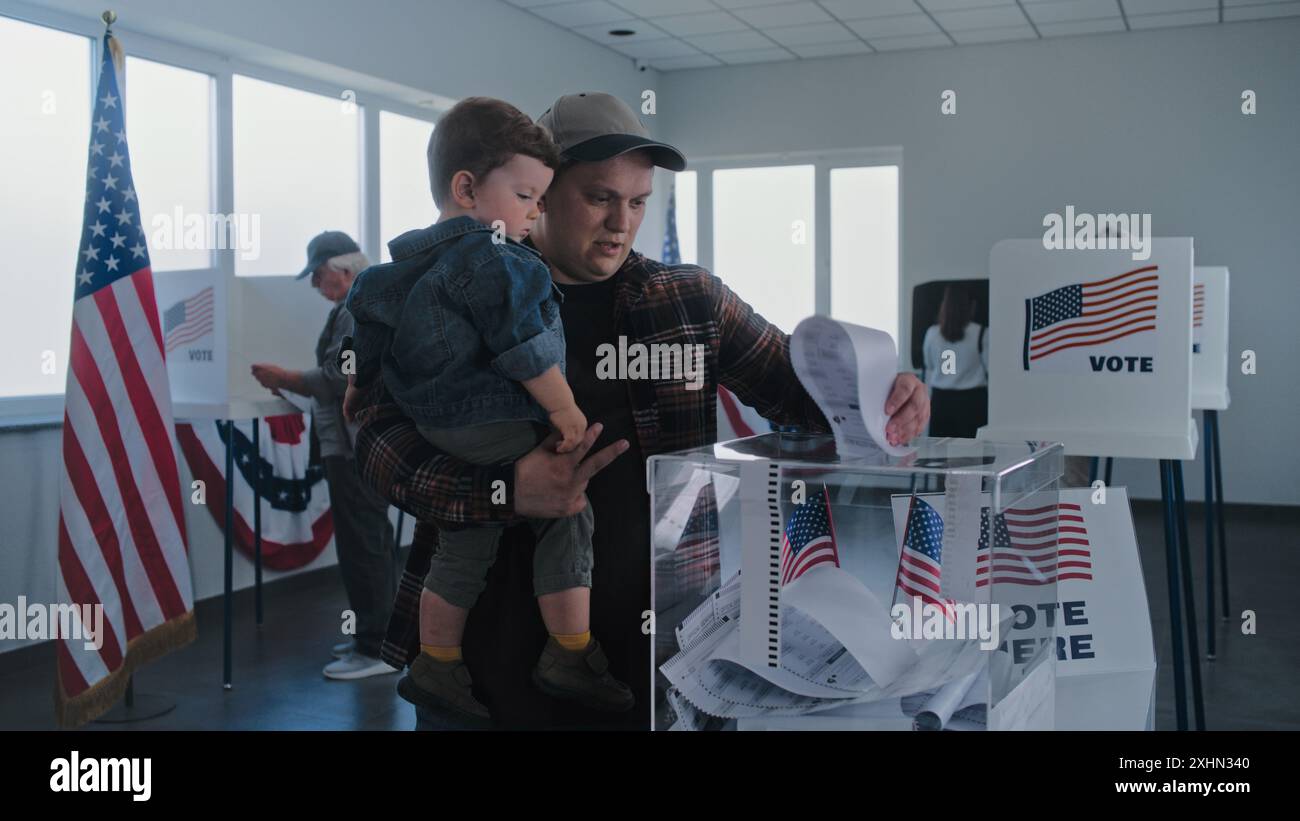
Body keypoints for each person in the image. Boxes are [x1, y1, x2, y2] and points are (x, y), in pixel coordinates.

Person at [345, 92, 931, 730]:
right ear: (541, 193)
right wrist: (504, 489)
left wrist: (889, 393)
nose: (620, 224)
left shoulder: (689, 302)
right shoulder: (445, 294)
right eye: (599, 198)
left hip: (657, 659)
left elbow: (809, 397)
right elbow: (377, 447)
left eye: (638, 202)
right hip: (482, 665)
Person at [345, 97, 632, 726]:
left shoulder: (397, 265)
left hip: (437, 425)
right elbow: (522, 344)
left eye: (539, 198)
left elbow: (363, 331)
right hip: (490, 417)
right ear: (467, 188)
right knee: (568, 513)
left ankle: (436, 661)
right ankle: (570, 652)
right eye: (528, 197)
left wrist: (357, 386)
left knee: (464, 543)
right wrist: (565, 410)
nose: (534, 212)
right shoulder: (498, 259)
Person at [250, 231, 397, 680]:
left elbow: (339, 375)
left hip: (354, 447)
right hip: (363, 443)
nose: (315, 285)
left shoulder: (354, 309)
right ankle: (379, 638)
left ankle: (375, 647)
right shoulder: (361, 305)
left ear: (344, 270)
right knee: (370, 541)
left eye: (318, 275)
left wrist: (287, 378)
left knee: (363, 546)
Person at [922, 284, 988, 439]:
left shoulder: (932, 333)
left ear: (944, 306)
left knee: (939, 449)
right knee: (974, 449)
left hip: (941, 401)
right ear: (971, 306)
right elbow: (990, 368)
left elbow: (929, 364)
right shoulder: (982, 333)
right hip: (972, 402)